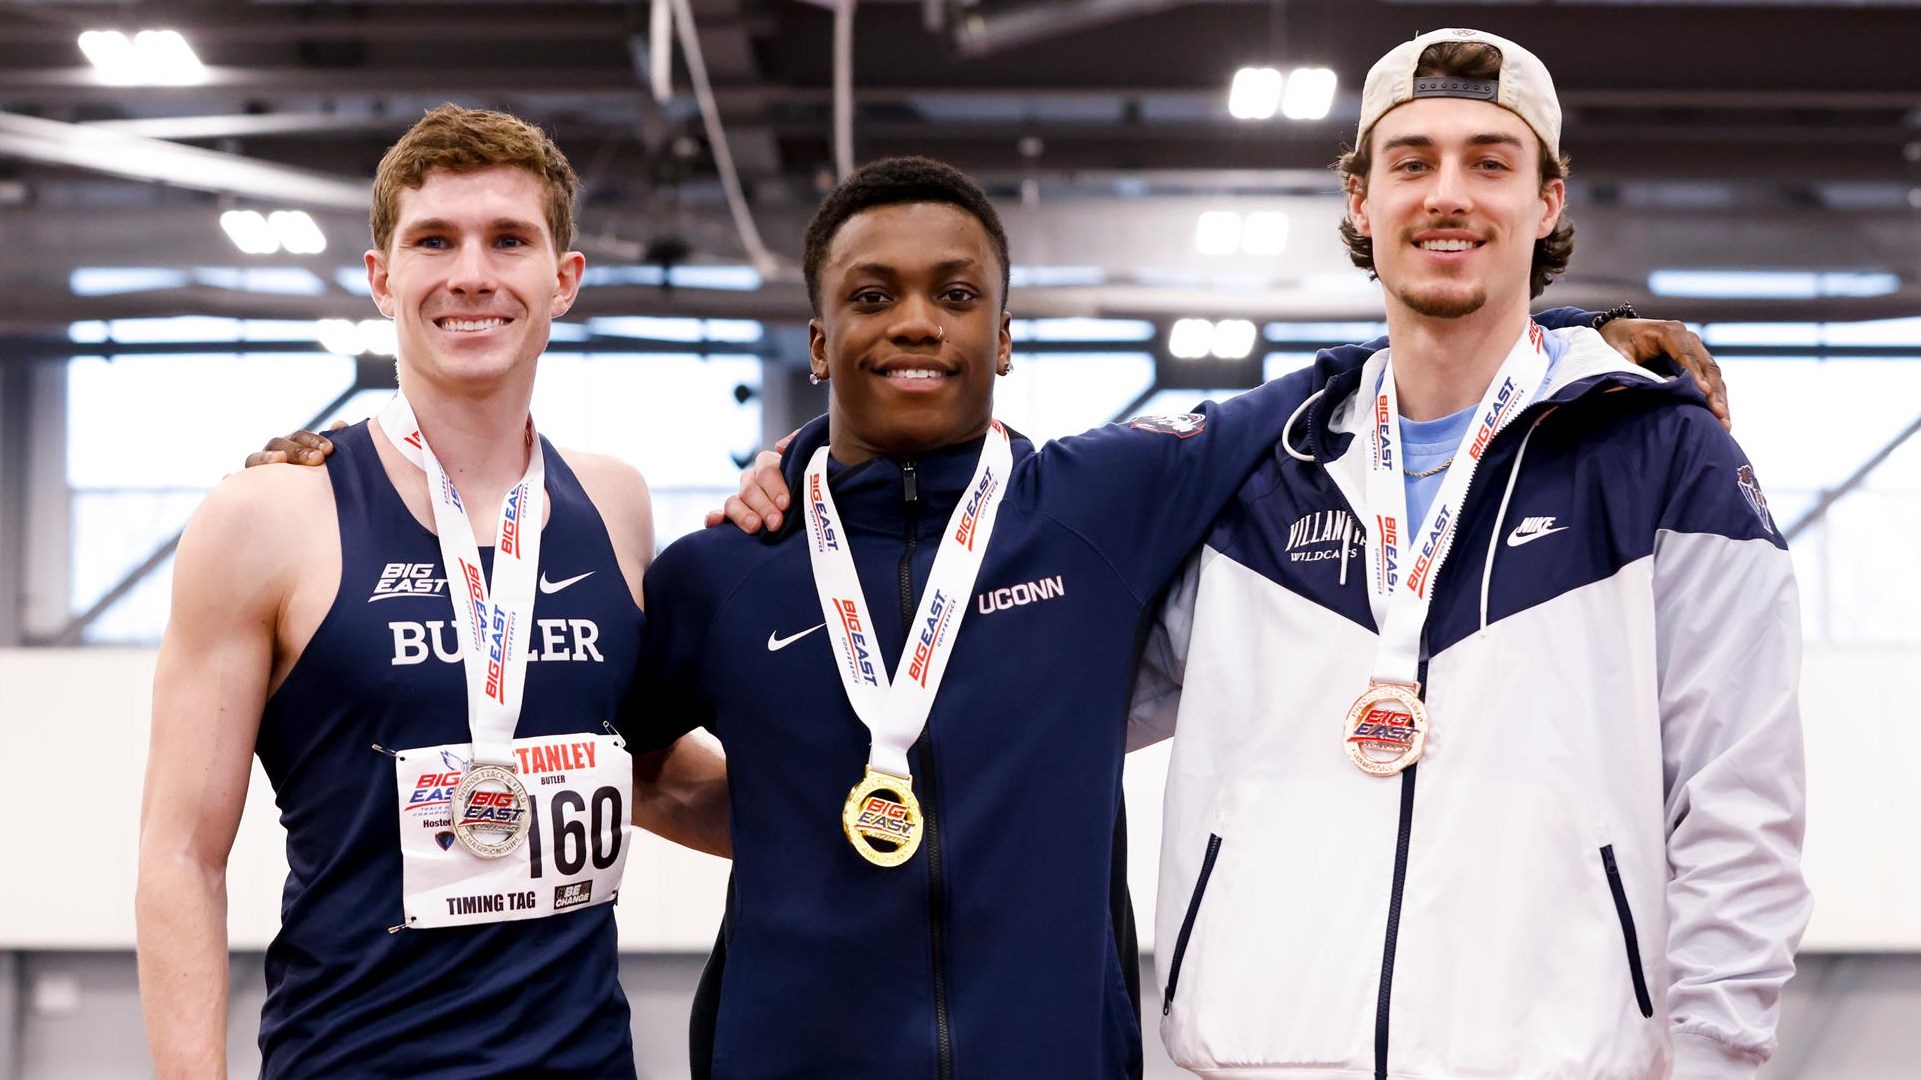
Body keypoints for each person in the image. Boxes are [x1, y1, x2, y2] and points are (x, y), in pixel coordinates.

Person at [256, 156, 1723, 1077]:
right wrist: (779, 807)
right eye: (875, 295)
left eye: (957, 294)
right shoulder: (720, 572)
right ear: (817, 336)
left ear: (1006, 335)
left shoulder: (1103, 503)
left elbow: (1365, 368)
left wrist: (1575, 336)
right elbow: (601, 758)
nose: (917, 321)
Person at [1131, 29, 1809, 1080]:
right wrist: (821, 466)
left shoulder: (1666, 460)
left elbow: (1739, 806)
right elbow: (1062, 674)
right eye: (1411, 163)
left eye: (1489, 163)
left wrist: (1717, 1058)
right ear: (1359, 202)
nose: (1448, 193)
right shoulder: (1258, 470)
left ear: (1544, 204)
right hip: (1260, 1059)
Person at [137, 104, 726, 1079]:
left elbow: (651, 775)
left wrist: (875, 812)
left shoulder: (615, 503)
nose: (471, 274)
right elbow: (179, 859)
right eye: (434, 240)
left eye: (508, 240)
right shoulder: (269, 517)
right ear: (381, 277)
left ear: (562, 280)